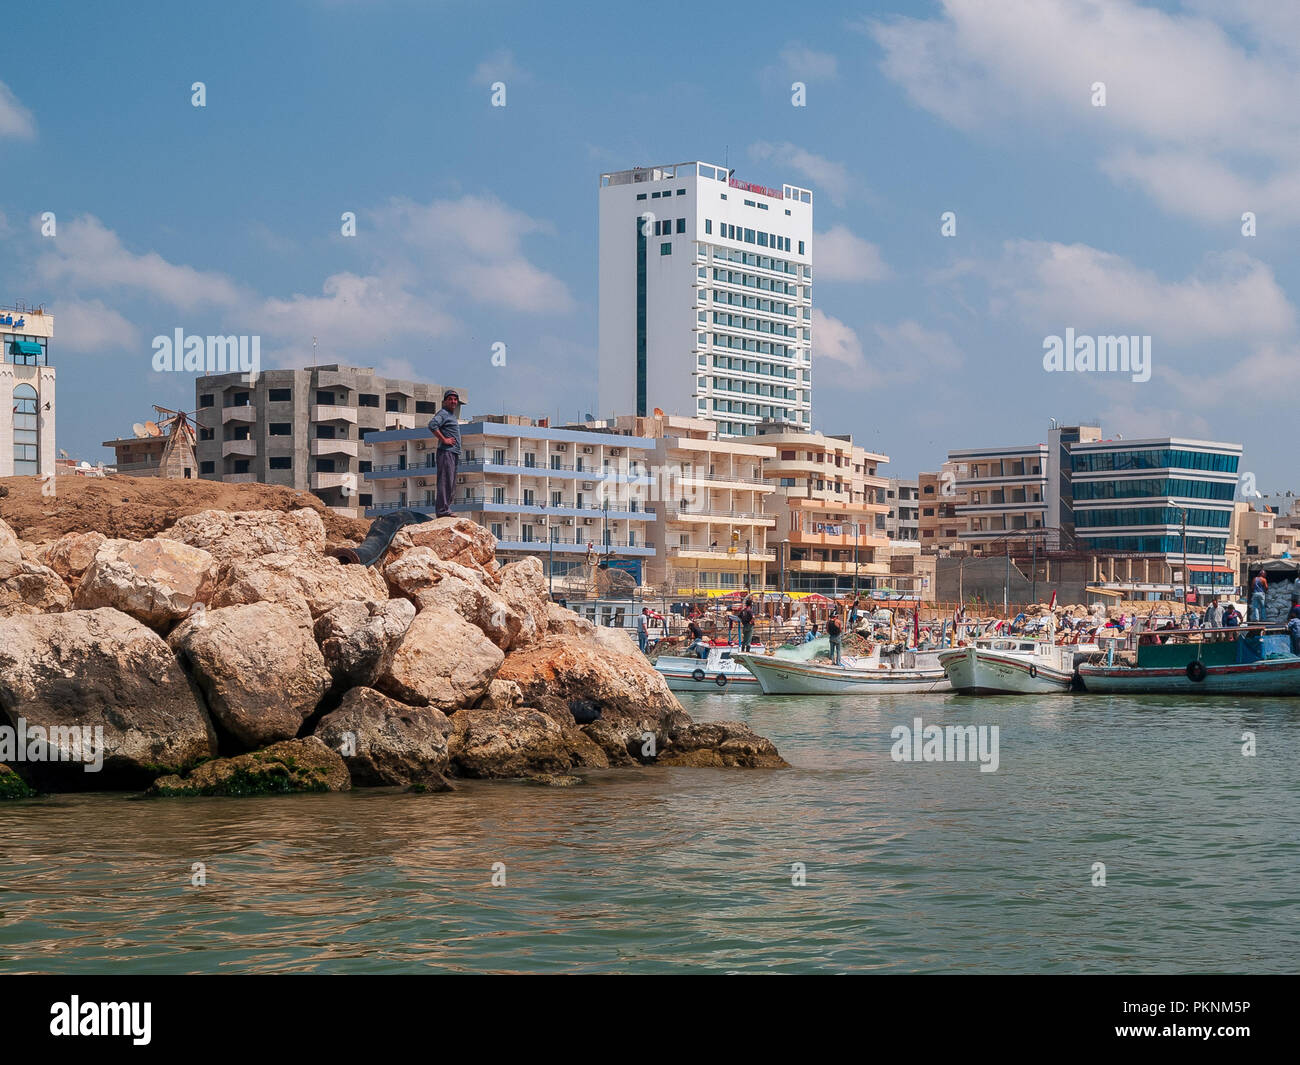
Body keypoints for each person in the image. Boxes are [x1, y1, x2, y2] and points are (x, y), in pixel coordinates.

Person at [427, 389, 462, 517]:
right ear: (445, 401)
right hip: (446, 452)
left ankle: (446, 508)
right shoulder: (443, 413)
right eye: (450, 399)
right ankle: (442, 510)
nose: (453, 401)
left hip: (453, 453)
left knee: (451, 482)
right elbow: (432, 425)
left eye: (455, 399)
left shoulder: (451, 415)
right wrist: (444, 440)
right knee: (445, 481)